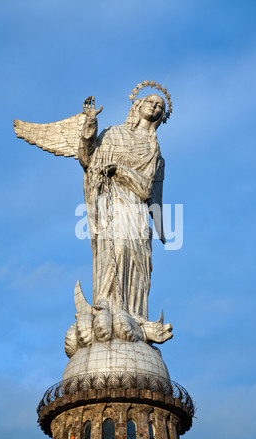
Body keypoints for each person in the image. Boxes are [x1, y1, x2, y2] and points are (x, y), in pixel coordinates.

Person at [78, 95, 166, 320]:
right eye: (150, 102)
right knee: (115, 250)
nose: (155, 106)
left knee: (139, 258)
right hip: (112, 202)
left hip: (135, 207)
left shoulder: (154, 152)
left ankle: (135, 313)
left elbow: (147, 189)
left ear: (162, 116)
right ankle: (106, 304)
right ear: (137, 105)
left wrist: (120, 170)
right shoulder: (113, 133)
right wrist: (90, 123)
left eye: (160, 106)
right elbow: (87, 160)